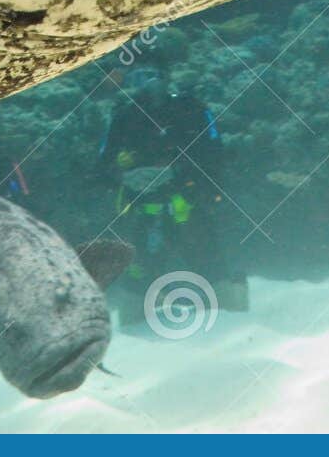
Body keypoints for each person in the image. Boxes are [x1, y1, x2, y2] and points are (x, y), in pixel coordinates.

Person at [100, 84, 250, 316]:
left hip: (187, 201)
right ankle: (144, 303)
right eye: (140, 75)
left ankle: (227, 300)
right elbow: (102, 166)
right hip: (145, 206)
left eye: (153, 75)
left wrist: (184, 175)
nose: (148, 81)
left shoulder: (189, 109)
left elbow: (214, 152)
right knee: (141, 262)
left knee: (203, 251)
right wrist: (124, 173)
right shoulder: (124, 117)